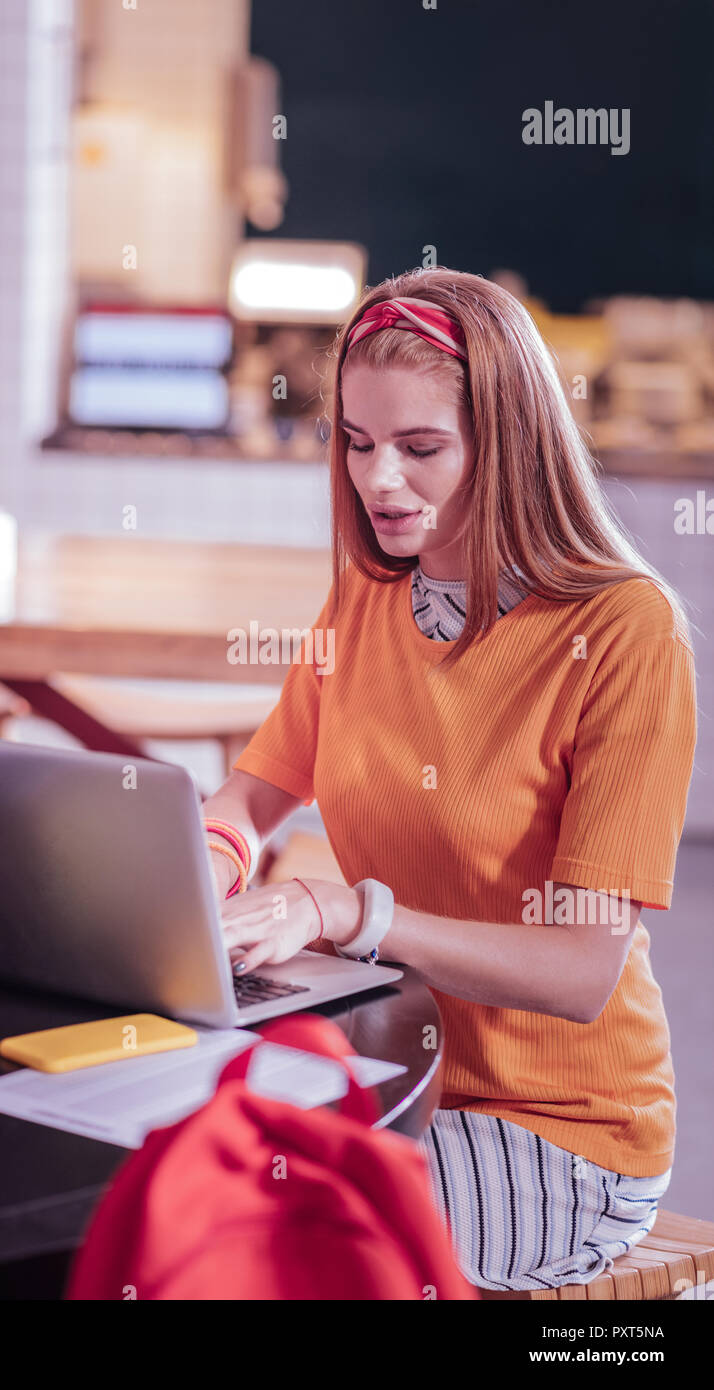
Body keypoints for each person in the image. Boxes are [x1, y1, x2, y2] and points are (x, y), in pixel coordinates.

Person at [201, 267, 697, 1293]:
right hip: (389, 1070)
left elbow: (580, 970)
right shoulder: (366, 599)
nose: (379, 480)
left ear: (506, 446)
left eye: (420, 448)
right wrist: (207, 864)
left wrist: (349, 912)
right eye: (354, 440)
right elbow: (255, 790)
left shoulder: (621, 632)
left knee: (267, 1254)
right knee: (170, 1181)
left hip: (556, 1132)